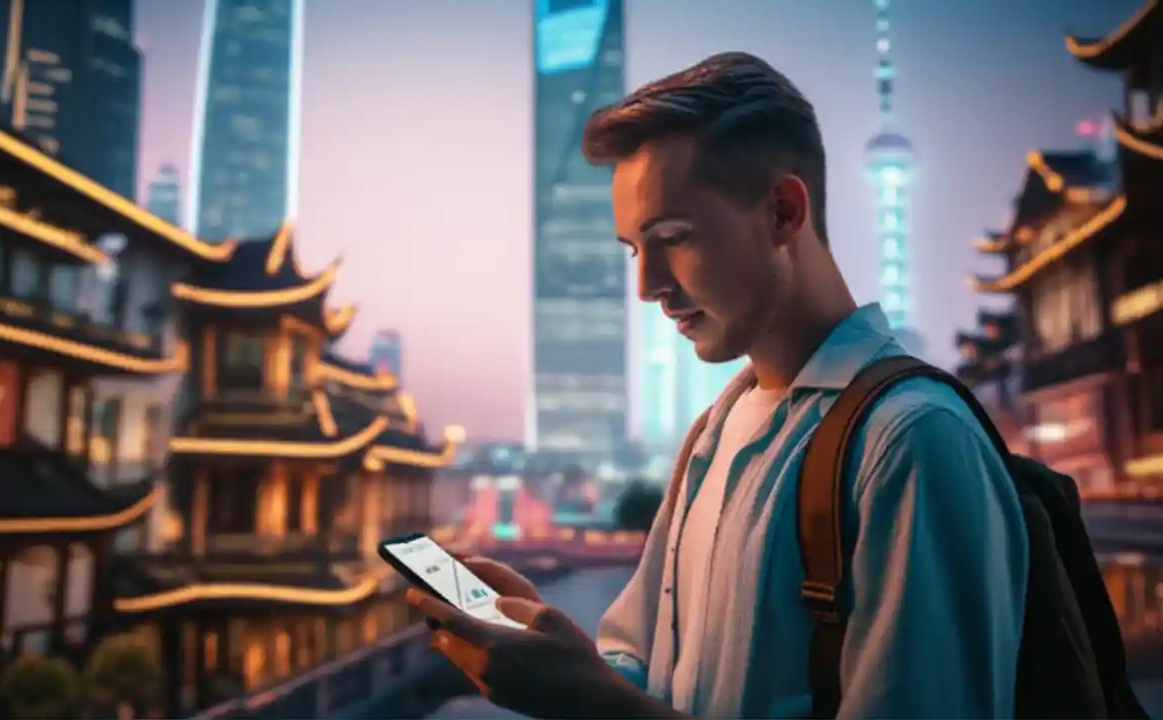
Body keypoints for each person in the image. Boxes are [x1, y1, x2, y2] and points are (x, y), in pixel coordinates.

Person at [408, 51, 1029, 718]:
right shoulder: (716, 431)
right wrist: (561, 657)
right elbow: (648, 673)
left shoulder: (911, 441)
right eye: (633, 250)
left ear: (784, 212)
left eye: (673, 238)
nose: (646, 287)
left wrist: (601, 708)